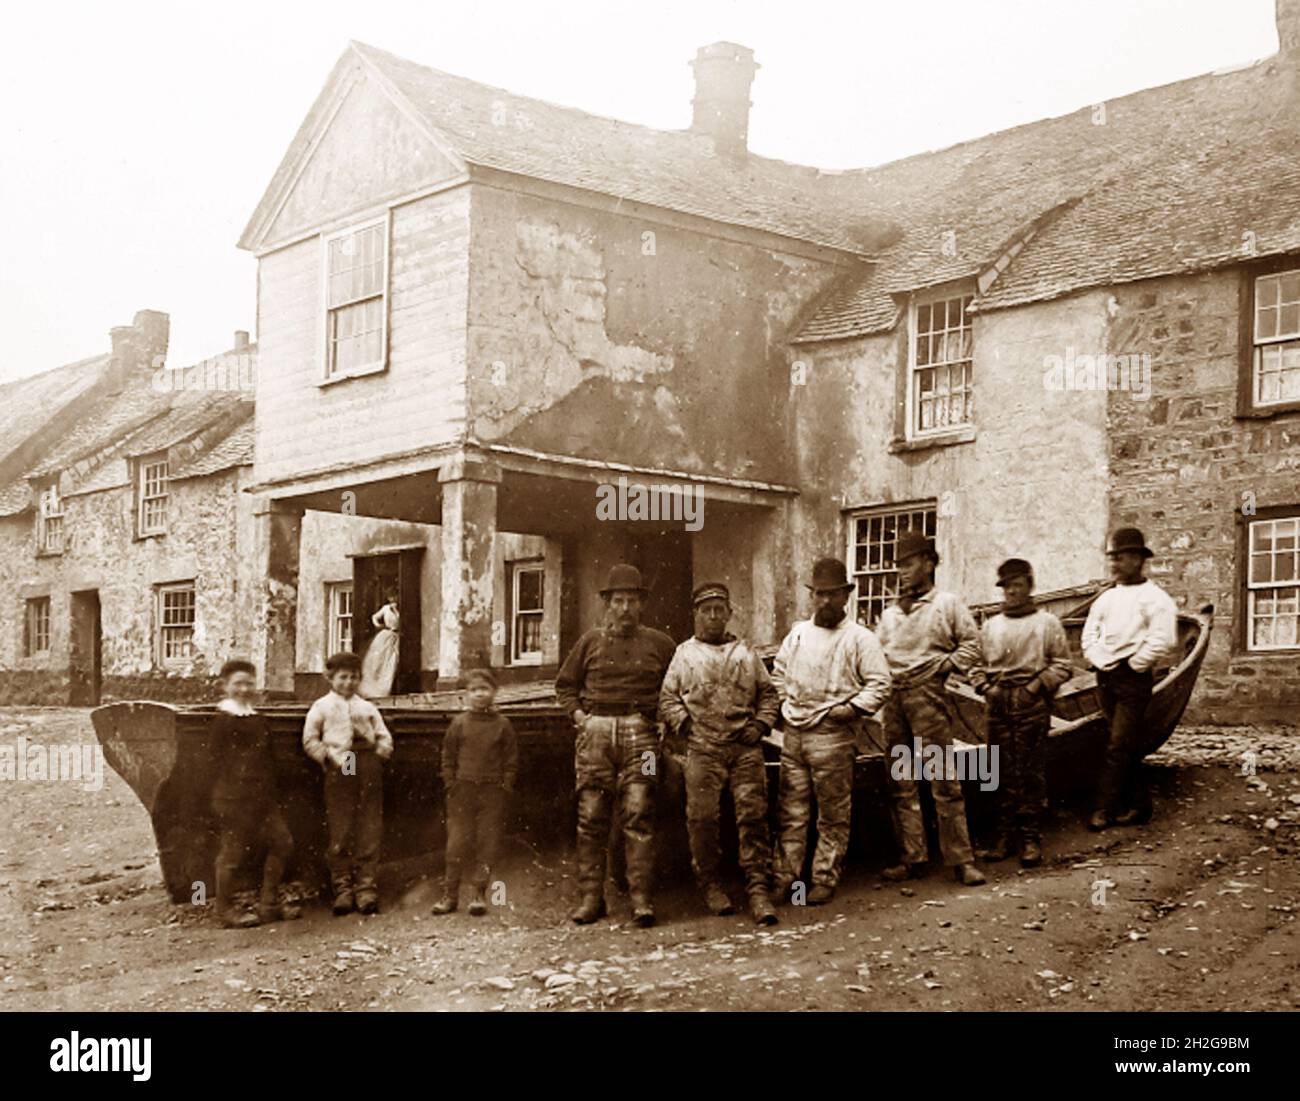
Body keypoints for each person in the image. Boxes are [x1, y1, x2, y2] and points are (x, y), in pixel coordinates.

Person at [555, 563, 676, 927]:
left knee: (640, 811)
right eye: (618, 600)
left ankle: (640, 897)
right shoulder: (590, 642)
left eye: (632, 600)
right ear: (608, 603)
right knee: (591, 813)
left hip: (643, 736)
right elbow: (565, 687)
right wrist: (581, 718)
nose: (625, 608)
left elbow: (674, 689)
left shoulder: (660, 644)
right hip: (596, 735)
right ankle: (592, 898)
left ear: (642, 604)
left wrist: (663, 724)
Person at [770, 557, 892, 905]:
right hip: (795, 735)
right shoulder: (798, 634)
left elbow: (880, 684)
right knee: (791, 811)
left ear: (846, 596)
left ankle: (824, 877)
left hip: (833, 735)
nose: (824, 601)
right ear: (812, 596)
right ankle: (787, 879)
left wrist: (849, 710)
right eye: (819, 594)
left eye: (832, 594)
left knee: (833, 813)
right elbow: (778, 673)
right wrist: (785, 705)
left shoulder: (860, 639)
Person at [659, 582, 781, 925]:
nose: (713, 616)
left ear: (729, 613)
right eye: (706, 610)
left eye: (719, 610)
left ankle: (757, 888)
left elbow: (769, 695)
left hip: (744, 747)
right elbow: (668, 699)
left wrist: (759, 726)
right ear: (696, 614)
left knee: (753, 815)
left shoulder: (746, 653)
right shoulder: (685, 654)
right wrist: (687, 726)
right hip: (703, 748)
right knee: (702, 819)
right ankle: (711, 884)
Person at [877, 530, 987, 887]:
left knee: (943, 778)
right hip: (894, 699)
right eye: (899, 567)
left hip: (928, 696)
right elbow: (879, 656)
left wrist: (945, 666)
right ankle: (913, 857)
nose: (902, 573)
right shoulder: (890, 614)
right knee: (900, 780)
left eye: (908, 564)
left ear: (929, 563)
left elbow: (972, 645)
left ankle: (962, 860)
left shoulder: (948, 604)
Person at [971, 558, 1073, 867]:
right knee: (996, 771)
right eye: (1007, 587)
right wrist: (986, 689)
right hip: (998, 702)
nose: (1012, 592)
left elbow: (1062, 665)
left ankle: (1030, 839)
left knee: (1029, 771)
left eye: (1018, 585)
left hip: (1030, 701)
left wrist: (1035, 687)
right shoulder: (991, 626)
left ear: (1029, 586)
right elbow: (973, 665)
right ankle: (1003, 838)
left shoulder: (1046, 623)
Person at [1082, 527, 1177, 831]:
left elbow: (1162, 639)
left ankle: (1104, 809)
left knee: (1118, 744)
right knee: (1124, 742)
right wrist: (1100, 660)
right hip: (1106, 675)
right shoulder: (1106, 599)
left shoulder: (1156, 598)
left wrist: (1136, 664)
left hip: (1133, 679)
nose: (1114, 563)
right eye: (1111, 558)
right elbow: (1089, 636)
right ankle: (1140, 805)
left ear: (1137, 559)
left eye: (1120, 557)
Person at [210, 659, 300, 928]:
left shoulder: (258, 718)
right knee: (232, 853)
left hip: (263, 797)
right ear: (224, 686)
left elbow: (268, 758)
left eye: (249, 683)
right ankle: (224, 910)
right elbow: (214, 761)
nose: (244, 688)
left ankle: (268, 903)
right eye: (238, 683)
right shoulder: (223, 720)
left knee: (282, 843)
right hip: (234, 798)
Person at [303, 651, 394, 915]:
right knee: (341, 827)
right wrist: (328, 758)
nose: (348, 683)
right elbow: (310, 739)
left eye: (354, 677)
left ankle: (366, 889)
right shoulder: (322, 707)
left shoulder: (367, 707)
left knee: (368, 826)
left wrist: (379, 754)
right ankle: (342, 889)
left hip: (366, 763)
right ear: (330, 678)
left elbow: (383, 736)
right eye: (343, 677)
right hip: (344, 764)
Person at [432, 669, 518, 917]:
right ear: (465, 695)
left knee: (487, 842)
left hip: (492, 792)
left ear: (494, 692)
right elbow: (448, 757)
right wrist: (451, 784)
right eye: (474, 690)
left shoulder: (503, 725)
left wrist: (505, 786)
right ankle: (450, 896)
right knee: (456, 843)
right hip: (463, 791)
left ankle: (480, 895)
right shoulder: (459, 724)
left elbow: (511, 760)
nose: (480, 694)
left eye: (484, 689)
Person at [360, 593, 400, 698]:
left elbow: (399, 622)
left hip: (395, 635)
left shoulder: (399, 609)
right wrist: (378, 625)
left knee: (391, 660)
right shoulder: (385, 608)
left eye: (395, 597)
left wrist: (395, 610)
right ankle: (376, 688)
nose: (393, 599)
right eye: (391, 597)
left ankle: (388, 687)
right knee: (379, 660)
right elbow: (374, 617)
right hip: (385, 635)